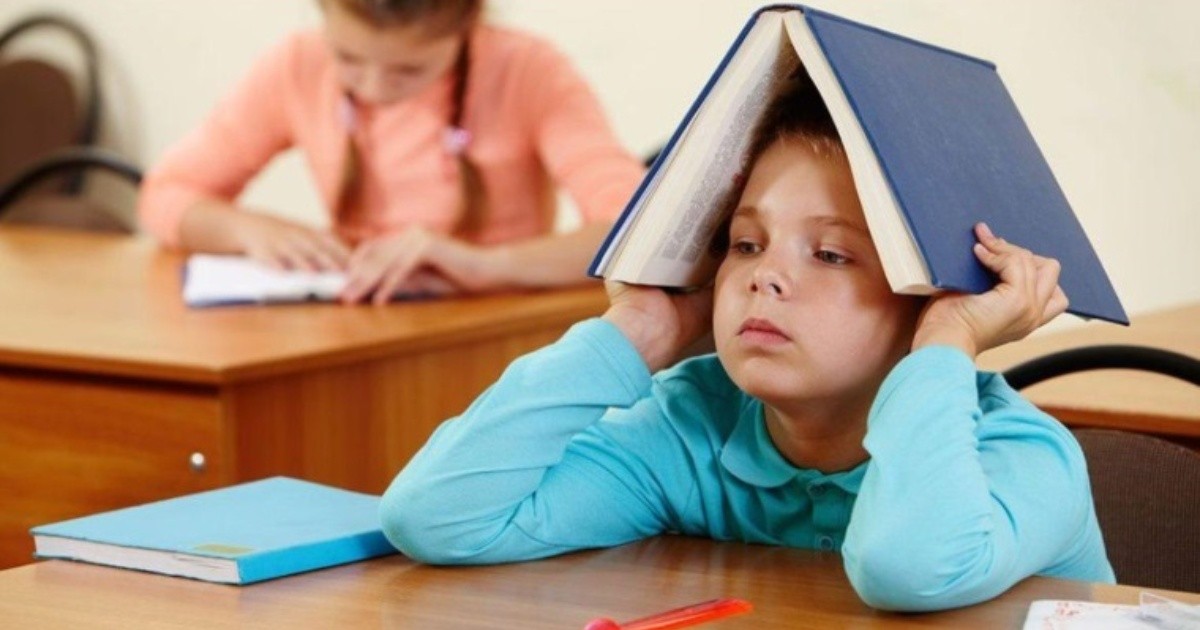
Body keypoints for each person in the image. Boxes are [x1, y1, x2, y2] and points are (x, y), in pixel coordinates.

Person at [377, 77, 1115, 611]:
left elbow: (908, 568)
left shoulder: (1022, 457)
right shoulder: (690, 430)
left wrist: (948, 341)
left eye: (830, 254)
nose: (765, 278)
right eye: (745, 243)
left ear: (932, 294)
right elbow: (437, 515)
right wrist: (639, 334)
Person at [138, 0, 644, 303]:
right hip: (358, 335)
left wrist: (484, 266)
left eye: (409, 71)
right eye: (349, 59)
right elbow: (164, 195)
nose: (375, 88)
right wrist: (247, 229)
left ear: (467, 23)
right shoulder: (299, 65)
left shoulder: (528, 70)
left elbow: (634, 230)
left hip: (493, 344)